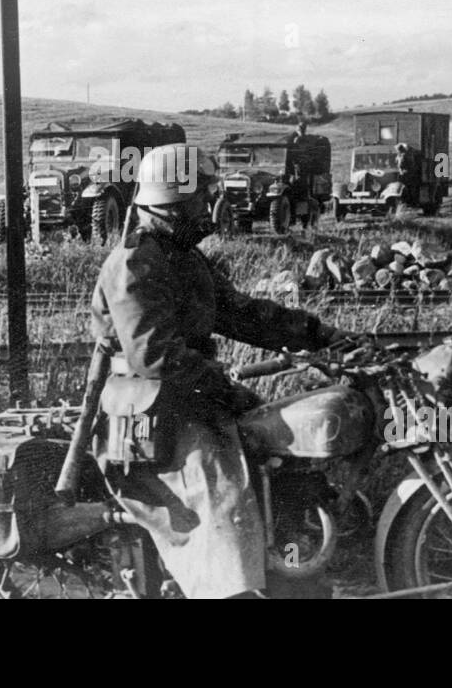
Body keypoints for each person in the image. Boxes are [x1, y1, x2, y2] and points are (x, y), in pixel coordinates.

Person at [88, 143, 353, 599]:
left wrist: (319, 333)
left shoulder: (184, 257)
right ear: (174, 199)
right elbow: (155, 357)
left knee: (280, 459)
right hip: (151, 413)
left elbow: (242, 314)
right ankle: (230, 590)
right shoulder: (135, 263)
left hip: (188, 397)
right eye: (204, 194)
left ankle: (290, 573)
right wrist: (226, 390)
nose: (213, 203)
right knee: (225, 499)